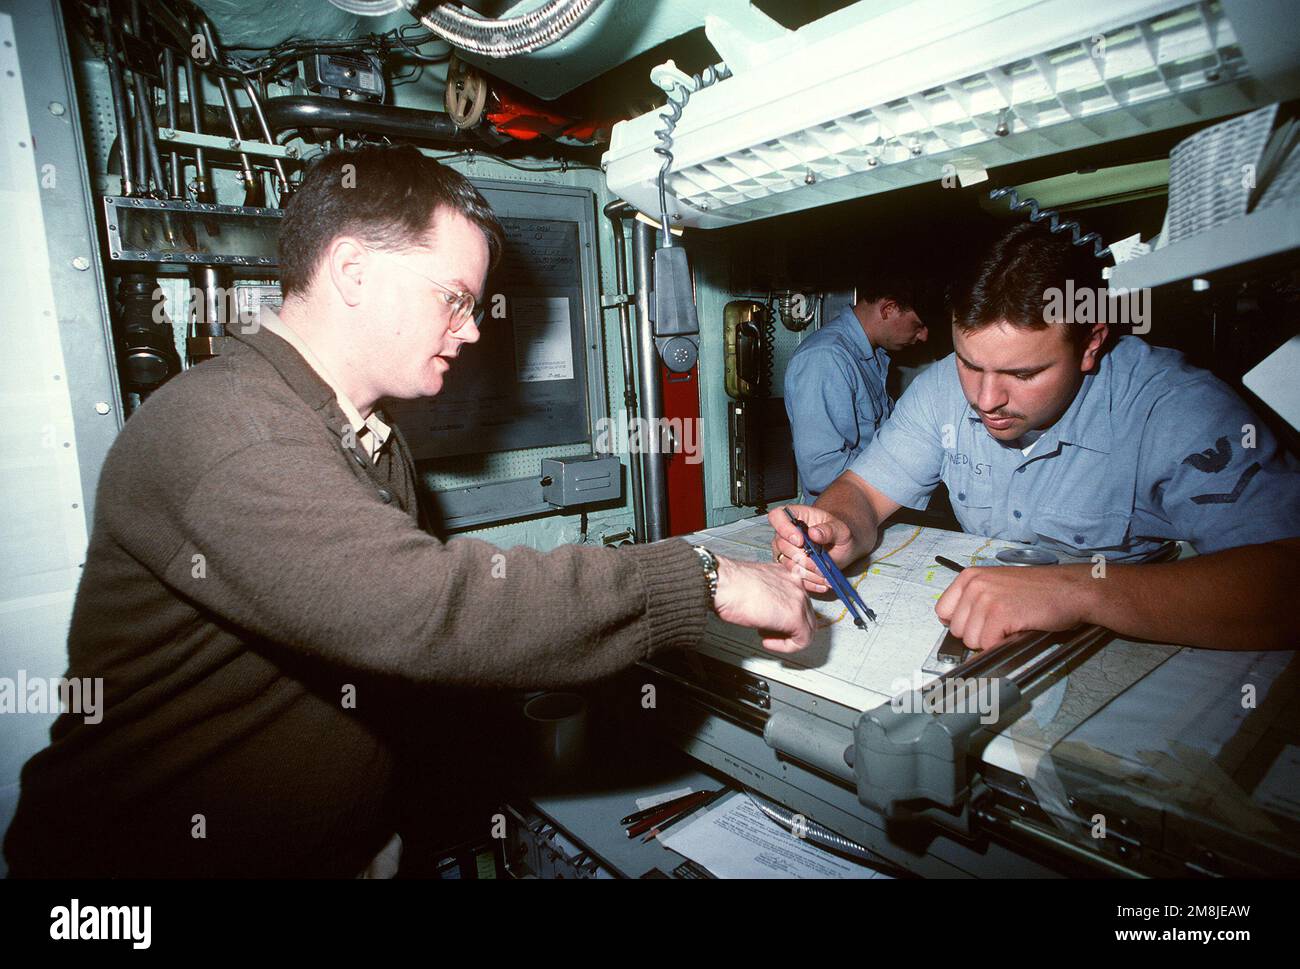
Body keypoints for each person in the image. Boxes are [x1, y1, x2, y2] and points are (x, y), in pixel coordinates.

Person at [5, 146, 814, 878]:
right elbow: (428, 611)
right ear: (353, 271)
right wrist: (702, 575)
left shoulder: (370, 439)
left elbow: (395, 667)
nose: (469, 332)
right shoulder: (228, 427)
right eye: (455, 299)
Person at [770, 222, 1300, 653]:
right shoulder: (939, 391)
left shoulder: (1177, 408)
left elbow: (1285, 581)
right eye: (969, 364)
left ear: (1092, 342)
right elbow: (862, 490)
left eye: (1023, 375)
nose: (984, 399)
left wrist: (1082, 590)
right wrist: (838, 524)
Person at [784, 268, 930, 498]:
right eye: (918, 325)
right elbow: (822, 472)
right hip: (841, 514)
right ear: (888, 309)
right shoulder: (826, 357)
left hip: (873, 507)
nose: (923, 336)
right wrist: (909, 478)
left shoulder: (874, 358)